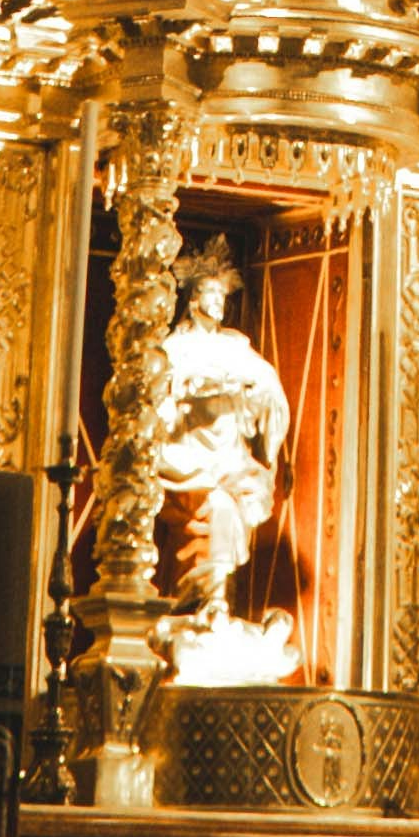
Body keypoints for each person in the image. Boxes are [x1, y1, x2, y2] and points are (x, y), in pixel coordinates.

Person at [146, 247, 293, 630]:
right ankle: (200, 605)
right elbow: (162, 396)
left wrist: (259, 393)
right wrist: (198, 388)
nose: (218, 302)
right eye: (211, 294)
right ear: (193, 301)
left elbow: (267, 387)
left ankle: (214, 606)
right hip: (188, 459)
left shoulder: (235, 346)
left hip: (229, 458)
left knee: (227, 514)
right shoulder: (177, 348)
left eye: (223, 295)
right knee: (213, 515)